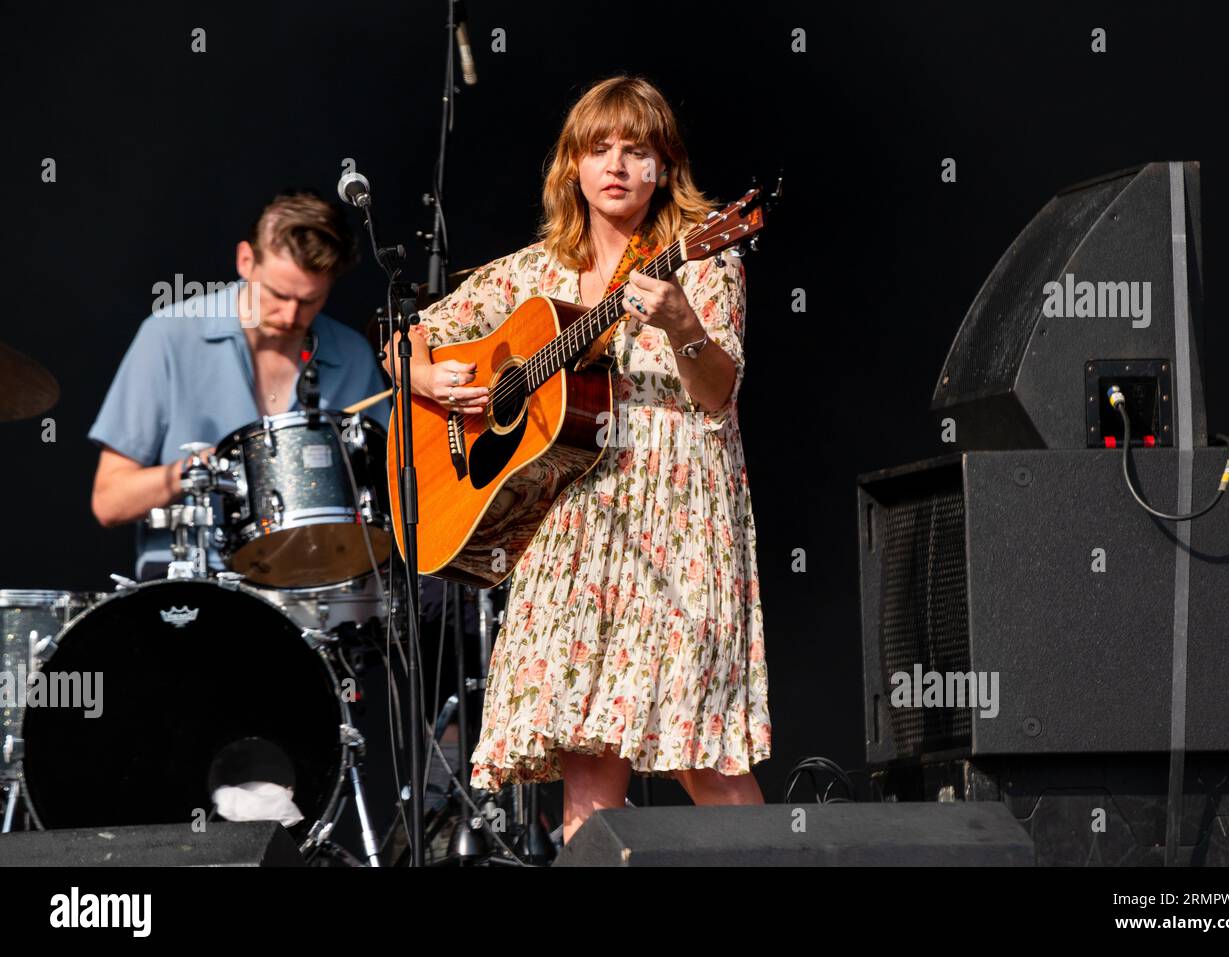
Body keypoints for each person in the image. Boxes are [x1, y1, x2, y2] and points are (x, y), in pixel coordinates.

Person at [390, 75, 771, 844]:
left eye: (637, 150)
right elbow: (407, 339)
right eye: (599, 149)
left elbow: (717, 392)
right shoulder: (533, 273)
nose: (617, 166)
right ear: (572, 166)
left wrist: (682, 323)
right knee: (586, 793)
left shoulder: (700, 259)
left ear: (665, 167)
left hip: (676, 522)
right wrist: (428, 376)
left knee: (706, 756)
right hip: (571, 530)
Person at [89, 190, 389, 579]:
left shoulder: (350, 352)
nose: (291, 315)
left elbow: (388, 490)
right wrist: (202, 469)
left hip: (321, 589)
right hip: (193, 592)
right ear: (246, 260)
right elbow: (109, 501)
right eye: (278, 294)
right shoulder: (168, 336)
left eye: (311, 300)